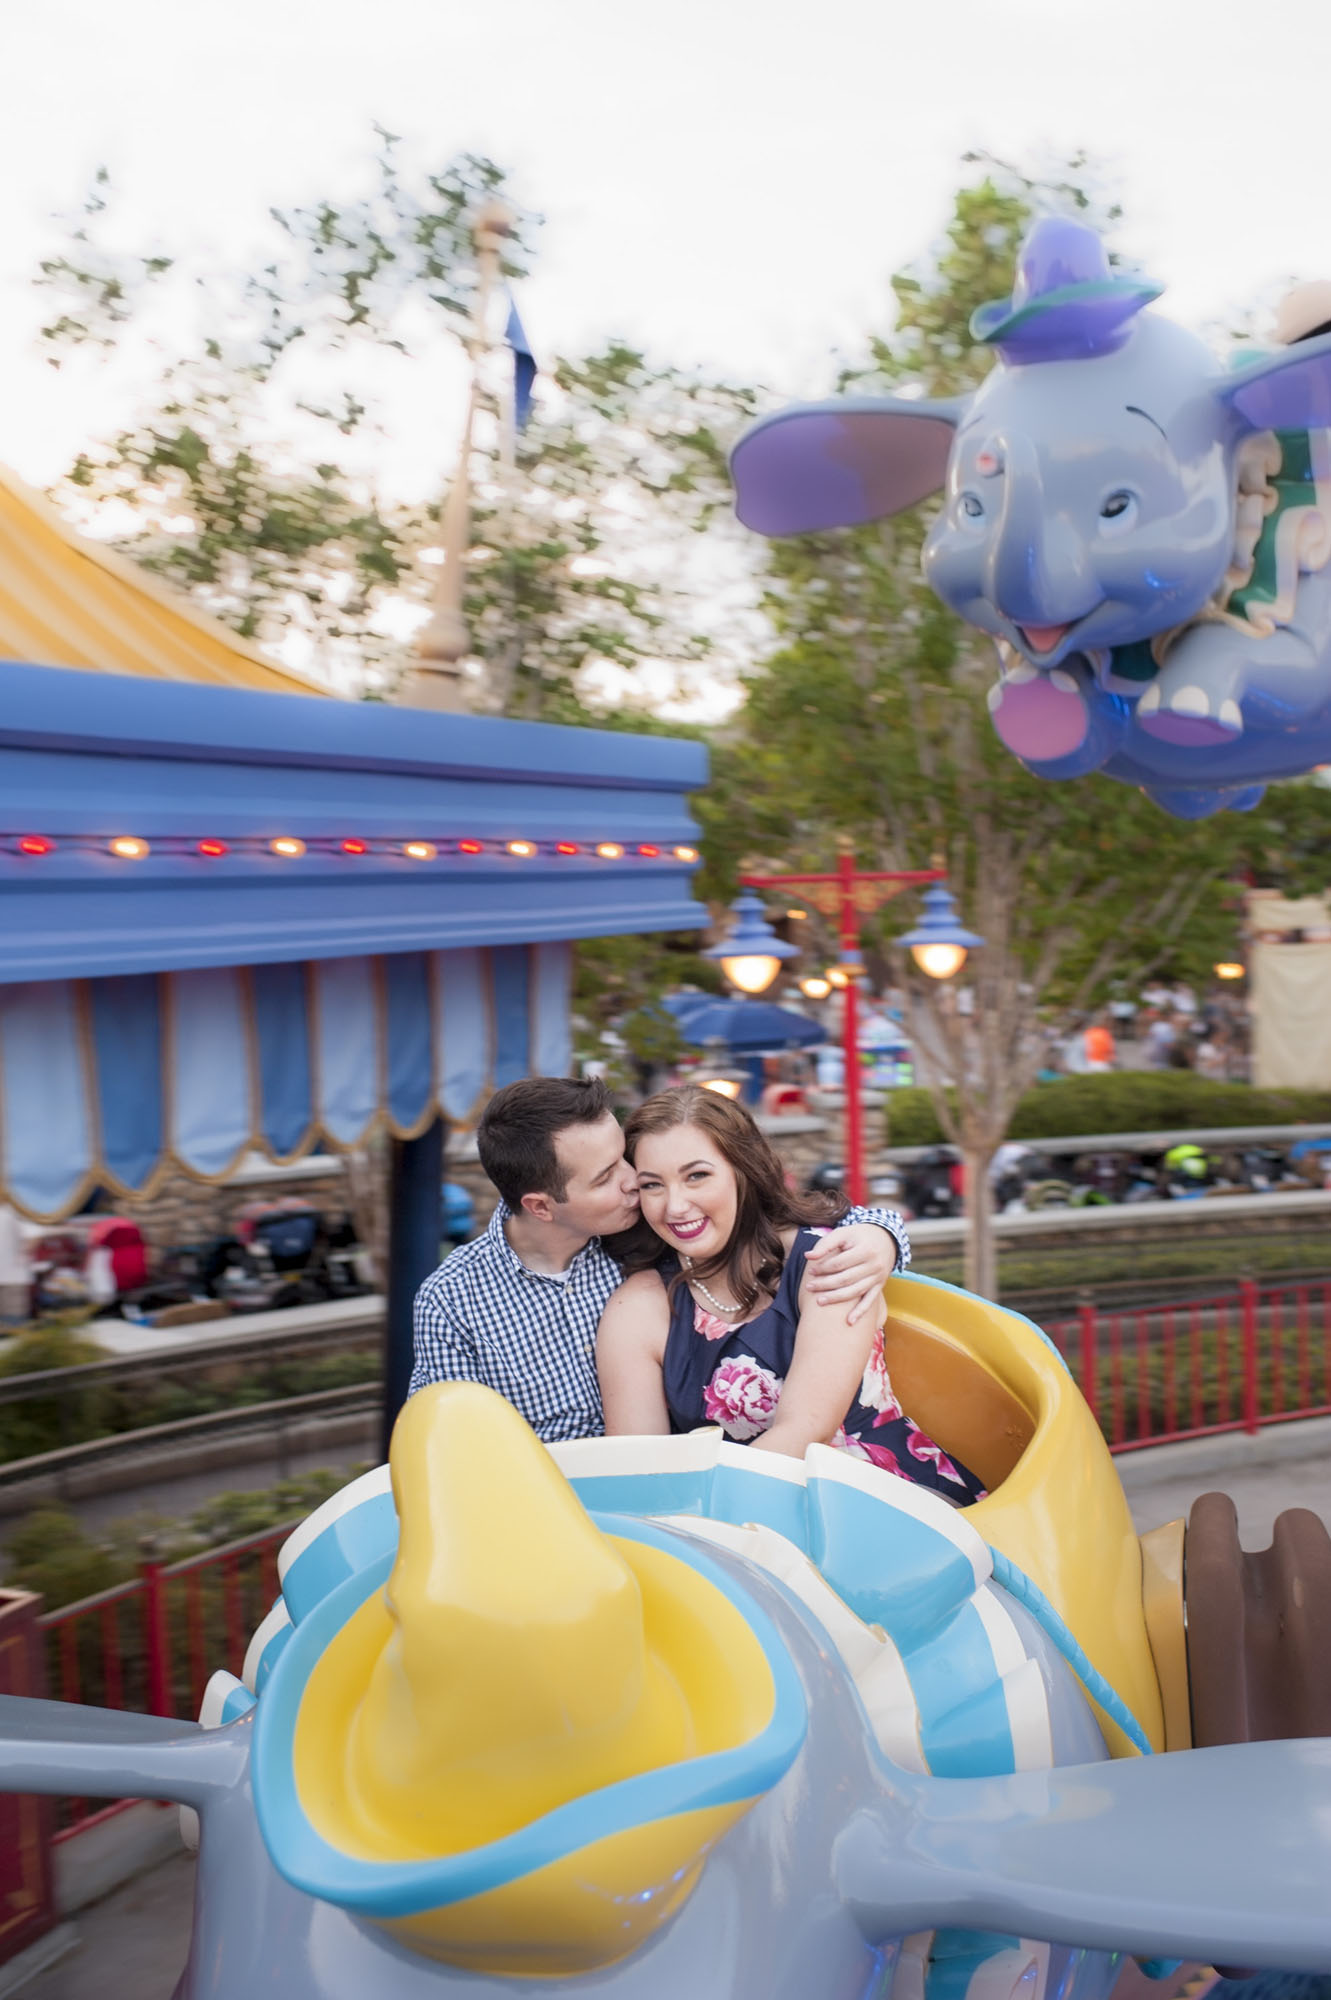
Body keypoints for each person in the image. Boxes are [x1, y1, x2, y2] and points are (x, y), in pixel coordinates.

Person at [409, 1075, 909, 1443]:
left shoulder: (636, 1237)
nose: (638, 1185)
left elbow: (789, 1227)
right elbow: (445, 1439)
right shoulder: (454, 1299)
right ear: (542, 1207)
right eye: (611, 1177)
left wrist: (881, 1233)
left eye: (628, 1161)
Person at [596, 1085, 985, 1501]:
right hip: (731, 1523)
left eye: (697, 1176)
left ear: (743, 1170)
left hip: (881, 1497)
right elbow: (642, 1470)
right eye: (653, 1185)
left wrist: (706, 1515)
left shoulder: (826, 1260)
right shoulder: (639, 1306)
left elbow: (804, 1430)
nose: (675, 1206)